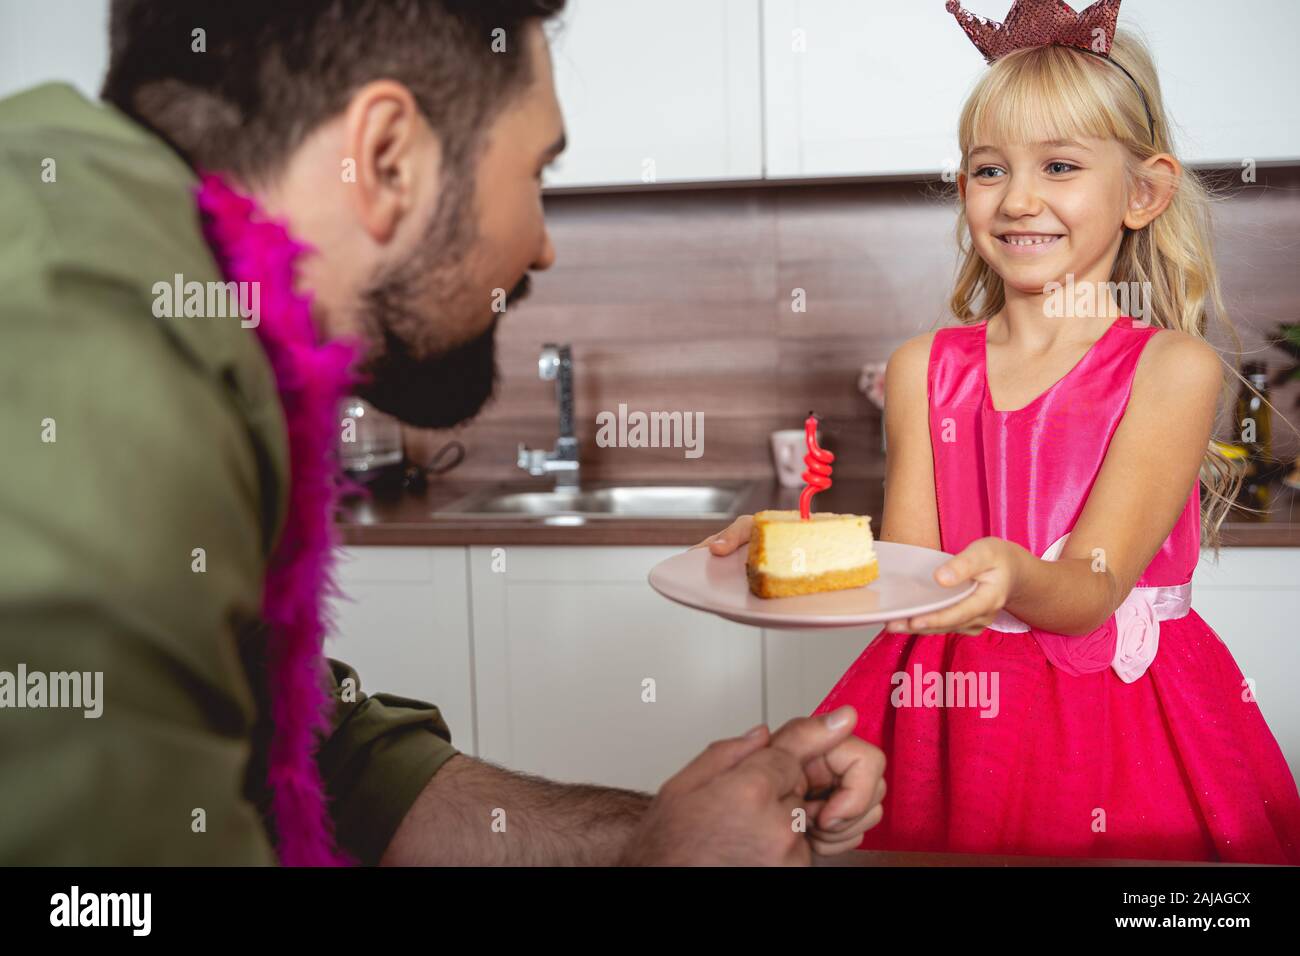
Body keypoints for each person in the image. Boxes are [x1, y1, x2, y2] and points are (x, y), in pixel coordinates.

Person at [0, 0, 885, 865]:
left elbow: (326, 766)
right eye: (538, 172)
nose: (541, 246)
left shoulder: (165, 290)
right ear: (386, 159)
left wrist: (666, 831)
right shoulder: (98, 350)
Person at [704, 15, 1300, 863]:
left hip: (1118, 722)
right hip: (948, 710)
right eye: (991, 170)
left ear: (1144, 191)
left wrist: (1013, 573)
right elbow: (910, 575)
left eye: (1059, 166)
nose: (1018, 198)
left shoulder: (1172, 368)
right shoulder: (923, 367)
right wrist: (785, 554)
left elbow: (1090, 592)